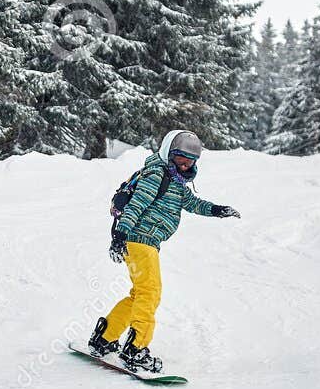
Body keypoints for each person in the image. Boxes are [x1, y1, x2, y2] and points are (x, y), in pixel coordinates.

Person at [88, 129, 239, 372]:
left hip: (145, 243)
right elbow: (136, 205)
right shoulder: (157, 174)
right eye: (180, 158)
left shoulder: (176, 183)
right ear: (169, 153)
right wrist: (120, 234)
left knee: (139, 294)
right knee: (150, 293)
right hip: (139, 241)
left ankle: (105, 338)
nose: (185, 163)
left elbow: (194, 203)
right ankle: (136, 350)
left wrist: (217, 210)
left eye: (190, 160)